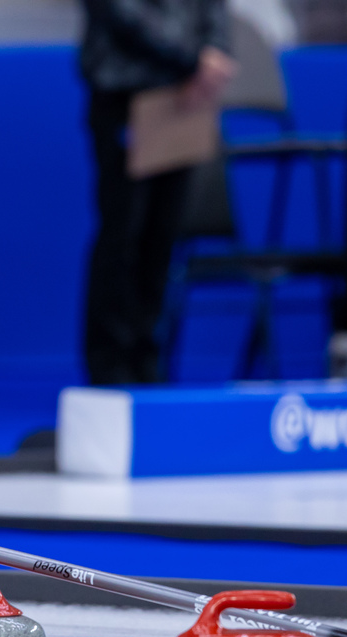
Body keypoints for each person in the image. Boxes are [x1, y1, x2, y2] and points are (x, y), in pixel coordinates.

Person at [80, 0, 236, 383]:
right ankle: (111, 360)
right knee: (124, 231)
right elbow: (120, 11)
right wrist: (192, 58)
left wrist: (214, 53)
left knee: (163, 232)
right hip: (126, 92)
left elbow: (215, 11)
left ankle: (147, 355)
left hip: (184, 97)